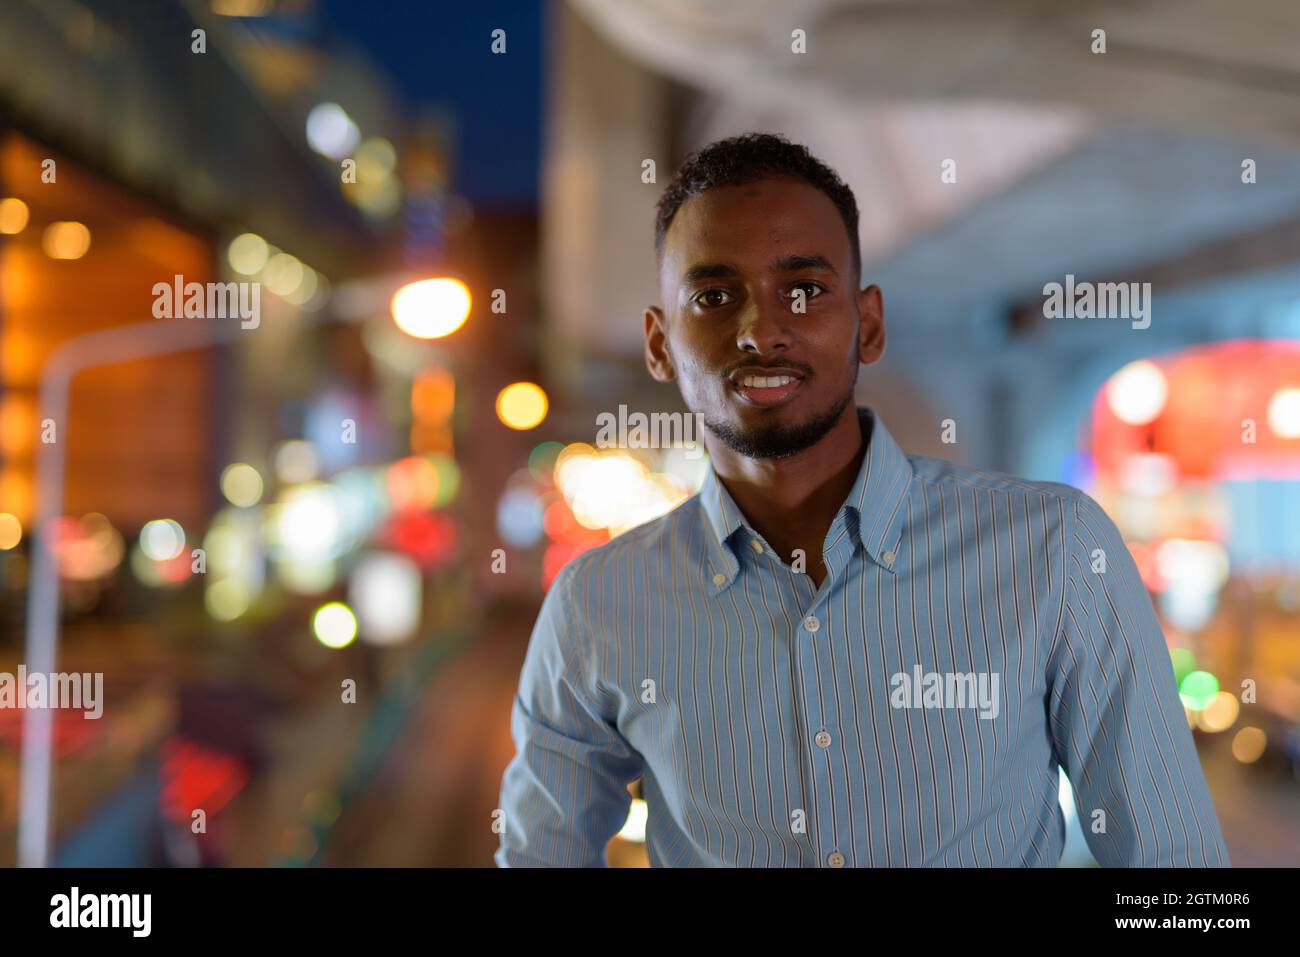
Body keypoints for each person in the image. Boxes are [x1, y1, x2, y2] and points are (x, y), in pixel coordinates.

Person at [494, 132, 1229, 867]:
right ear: (660, 343)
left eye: (805, 289)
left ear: (869, 324)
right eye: (714, 296)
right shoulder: (598, 605)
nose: (761, 329)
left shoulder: (1057, 550)